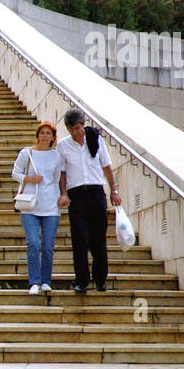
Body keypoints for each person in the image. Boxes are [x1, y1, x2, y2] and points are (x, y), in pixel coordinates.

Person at [57, 108, 121, 293]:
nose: (75, 132)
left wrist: (113, 191)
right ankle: (82, 280)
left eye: (78, 127)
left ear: (83, 125)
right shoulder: (63, 146)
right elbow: (62, 172)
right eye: (71, 129)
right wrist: (63, 193)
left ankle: (100, 279)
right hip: (76, 194)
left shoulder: (96, 139)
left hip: (95, 192)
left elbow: (107, 167)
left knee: (98, 239)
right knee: (79, 240)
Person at [13, 122, 65, 295]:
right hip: (30, 205)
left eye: (48, 133)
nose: (44, 136)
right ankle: (34, 281)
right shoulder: (27, 153)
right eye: (42, 132)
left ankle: (46, 281)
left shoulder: (57, 156)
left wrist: (61, 196)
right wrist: (29, 179)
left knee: (48, 246)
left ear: (52, 137)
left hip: (50, 206)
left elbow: (57, 178)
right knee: (33, 243)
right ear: (37, 135)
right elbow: (15, 173)